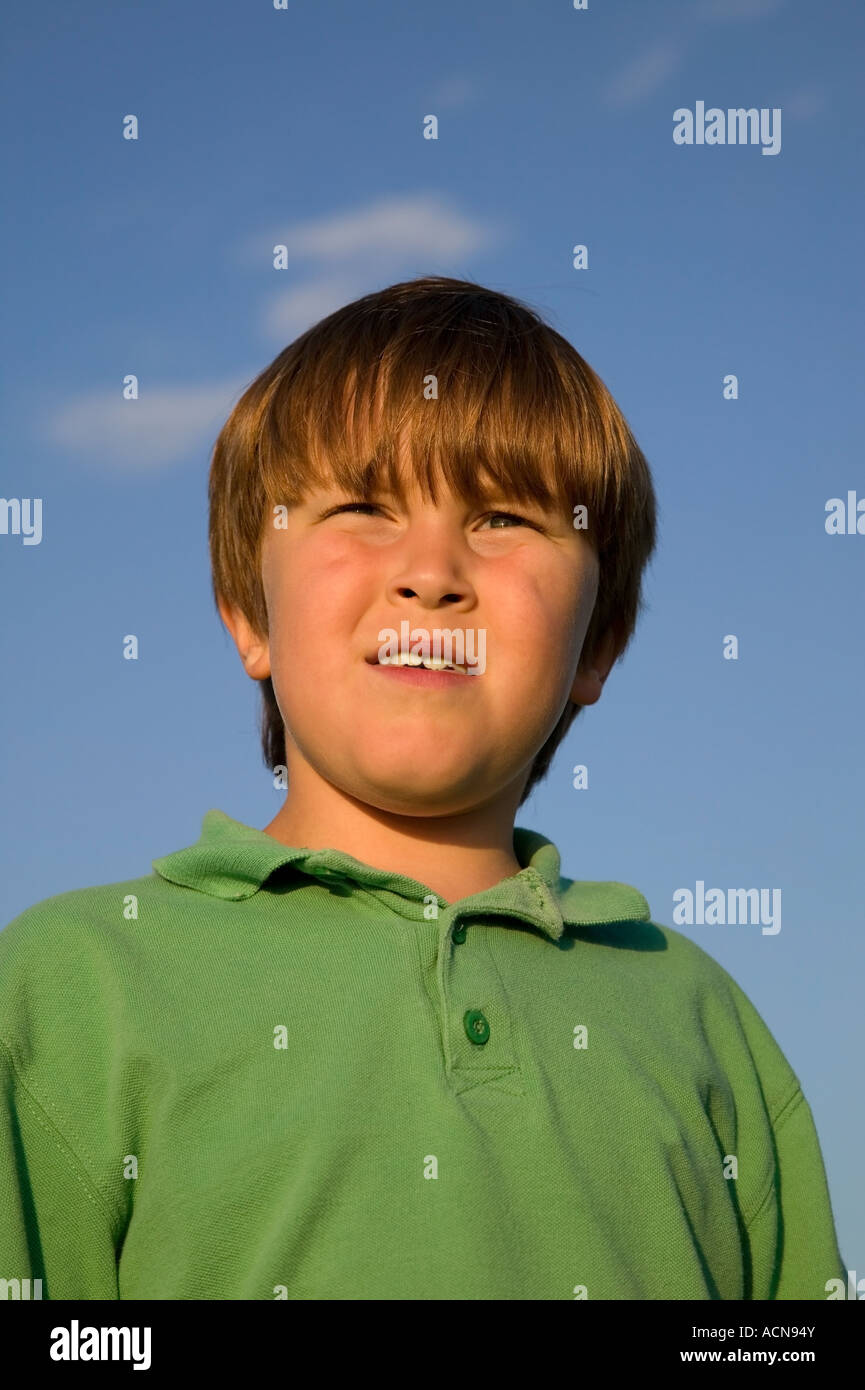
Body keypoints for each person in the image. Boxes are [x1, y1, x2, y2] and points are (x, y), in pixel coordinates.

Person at [0, 277, 845, 1299]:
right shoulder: (68, 992)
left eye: (501, 517)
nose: (431, 570)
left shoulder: (701, 1017)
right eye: (362, 506)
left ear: (599, 642)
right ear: (249, 613)